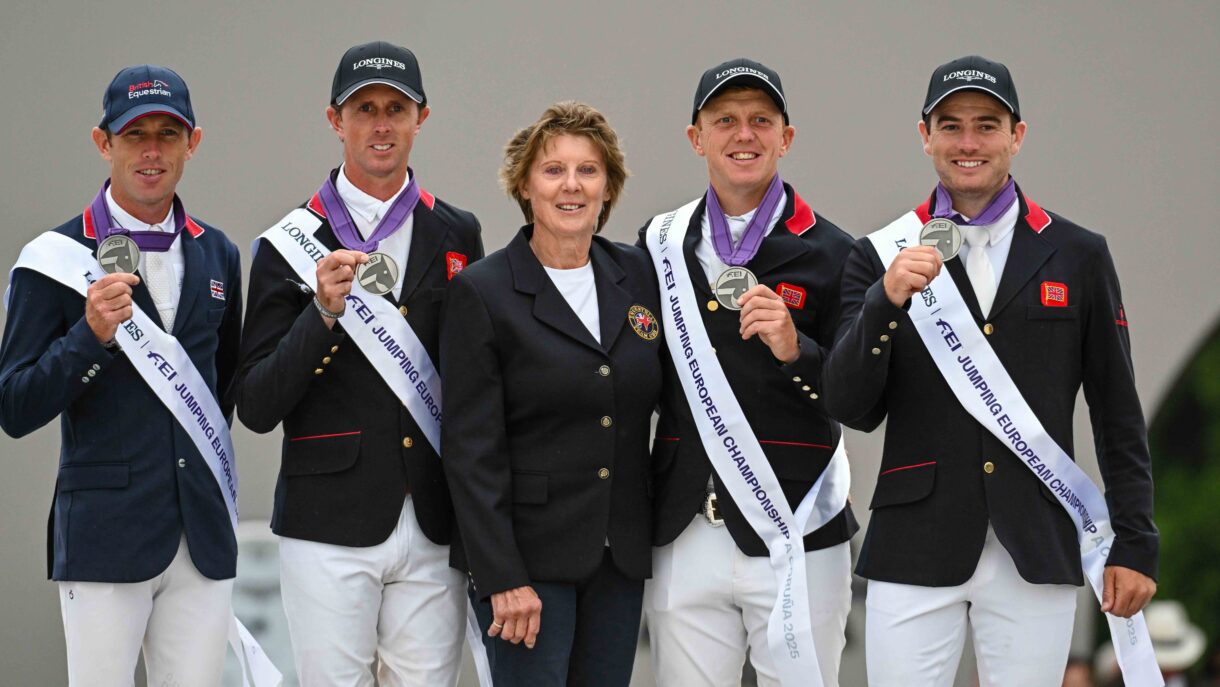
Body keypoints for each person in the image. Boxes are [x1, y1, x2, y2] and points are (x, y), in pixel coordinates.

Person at [824, 55, 1159, 686]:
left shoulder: (1078, 253)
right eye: (951, 126)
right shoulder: (878, 255)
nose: (968, 142)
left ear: (1017, 135)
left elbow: (1117, 411)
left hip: (1034, 538)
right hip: (914, 541)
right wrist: (883, 302)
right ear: (925, 136)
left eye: (986, 124)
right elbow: (848, 404)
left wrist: (1136, 541)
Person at [234, 41, 483, 686]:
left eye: (395, 109)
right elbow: (257, 405)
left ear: (421, 118)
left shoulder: (457, 232)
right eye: (364, 108)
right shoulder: (287, 244)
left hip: (432, 516)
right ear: (334, 120)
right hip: (328, 517)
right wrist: (320, 315)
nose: (380, 124)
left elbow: (473, 379)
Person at [0, 65, 243, 686]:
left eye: (169, 133)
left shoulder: (218, 252)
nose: (153, 150)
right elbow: (15, 405)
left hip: (202, 536)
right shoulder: (52, 258)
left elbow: (224, 387)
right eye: (136, 134)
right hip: (106, 532)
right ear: (103, 143)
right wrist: (88, 339)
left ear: (194, 143)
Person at [637, 58, 856, 687]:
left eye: (761, 120)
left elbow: (857, 395)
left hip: (795, 524)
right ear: (696, 137)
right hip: (683, 524)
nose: (744, 135)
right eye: (725, 120)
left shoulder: (836, 251)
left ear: (785, 137)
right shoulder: (658, 242)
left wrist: (797, 350)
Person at [440, 101, 662, 686]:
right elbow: (470, 449)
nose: (572, 185)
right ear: (524, 185)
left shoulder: (637, 275)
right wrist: (501, 576)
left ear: (609, 186)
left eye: (588, 170)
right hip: (527, 570)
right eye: (553, 170)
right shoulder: (483, 292)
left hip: (618, 557)